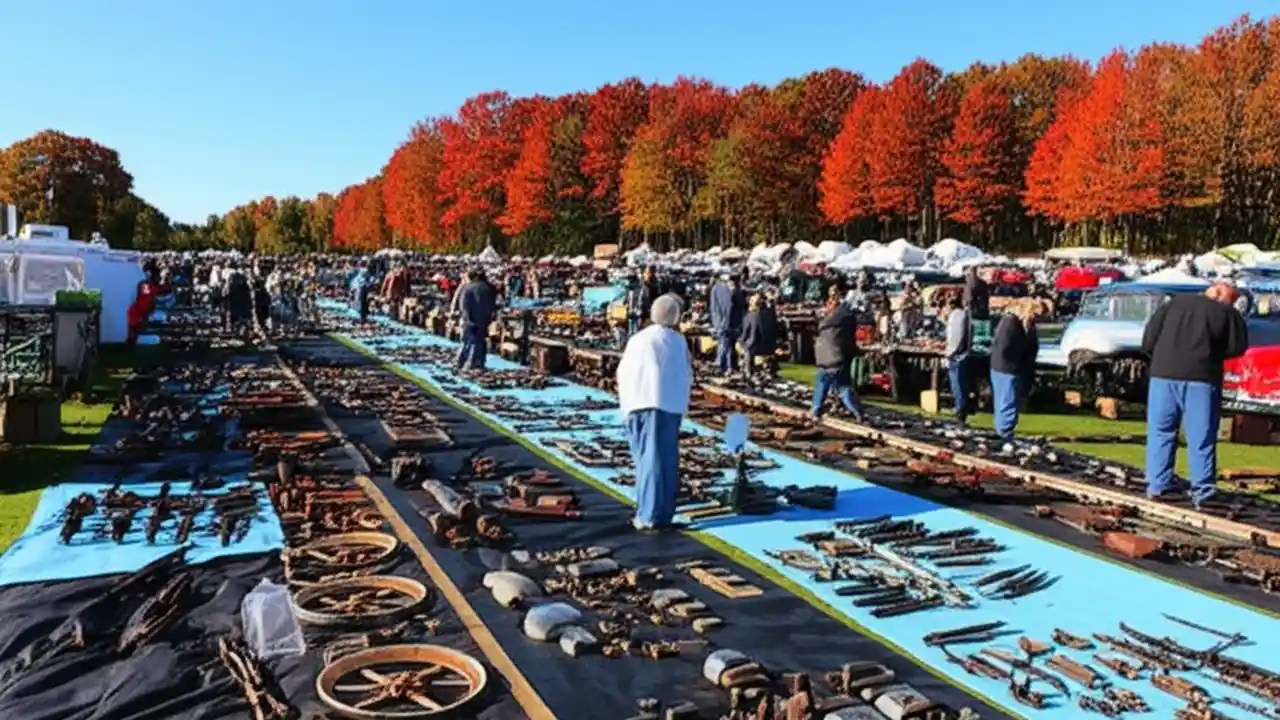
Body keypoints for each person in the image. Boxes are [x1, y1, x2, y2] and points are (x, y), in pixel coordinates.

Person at [1142, 283, 1249, 506]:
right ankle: (1203, 490)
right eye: (1233, 299)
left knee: (1161, 431)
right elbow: (1237, 347)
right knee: (1201, 436)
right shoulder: (1226, 313)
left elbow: (1148, 339)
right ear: (1221, 295)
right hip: (1201, 377)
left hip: (1164, 374)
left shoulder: (1173, 304)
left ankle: (1157, 485)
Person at [616, 294, 692, 531]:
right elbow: (685, 374)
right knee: (663, 461)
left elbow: (624, 371)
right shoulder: (678, 341)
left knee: (648, 461)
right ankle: (658, 512)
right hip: (667, 405)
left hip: (639, 403)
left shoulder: (640, 339)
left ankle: (649, 512)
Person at [811, 288, 864, 422]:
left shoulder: (827, 323)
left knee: (822, 384)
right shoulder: (844, 321)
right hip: (837, 357)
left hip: (827, 358)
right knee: (843, 386)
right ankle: (857, 411)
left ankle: (816, 410)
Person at [989, 302, 1039, 439]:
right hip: (1007, 369)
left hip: (1003, 368)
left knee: (1004, 402)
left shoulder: (1013, 324)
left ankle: (1003, 431)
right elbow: (1004, 349)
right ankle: (1005, 432)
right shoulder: (1011, 324)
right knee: (1007, 402)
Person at [455, 271, 496, 370]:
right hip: (483, 320)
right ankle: (476, 364)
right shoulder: (489, 288)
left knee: (467, 343)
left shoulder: (467, 287)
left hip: (470, 320)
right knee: (479, 343)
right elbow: (492, 306)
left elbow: (463, 306)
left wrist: (467, 319)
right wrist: (488, 318)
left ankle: (462, 363)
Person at [943, 295, 973, 423]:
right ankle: (962, 409)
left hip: (956, 356)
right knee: (962, 384)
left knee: (957, 385)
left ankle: (960, 411)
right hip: (963, 354)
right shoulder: (964, 315)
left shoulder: (956, 316)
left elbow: (955, 337)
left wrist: (949, 354)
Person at [709, 275, 745, 374]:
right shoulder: (735, 291)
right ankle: (724, 365)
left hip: (720, 322)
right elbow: (738, 308)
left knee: (725, 344)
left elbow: (713, 307)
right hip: (730, 323)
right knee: (727, 344)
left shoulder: (715, 289)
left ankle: (725, 365)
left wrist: (715, 323)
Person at [739, 293, 778, 379]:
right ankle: (771, 372)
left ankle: (748, 372)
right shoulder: (771, 314)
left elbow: (745, 334)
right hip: (770, 346)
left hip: (756, 346)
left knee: (745, 347)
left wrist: (740, 342)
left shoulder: (750, 316)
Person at [625, 275, 651, 339]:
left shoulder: (641, 289)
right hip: (634, 311)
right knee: (633, 326)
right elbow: (626, 300)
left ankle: (633, 337)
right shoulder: (629, 289)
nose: (629, 282)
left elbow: (645, 300)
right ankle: (632, 337)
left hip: (637, 311)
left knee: (635, 326)